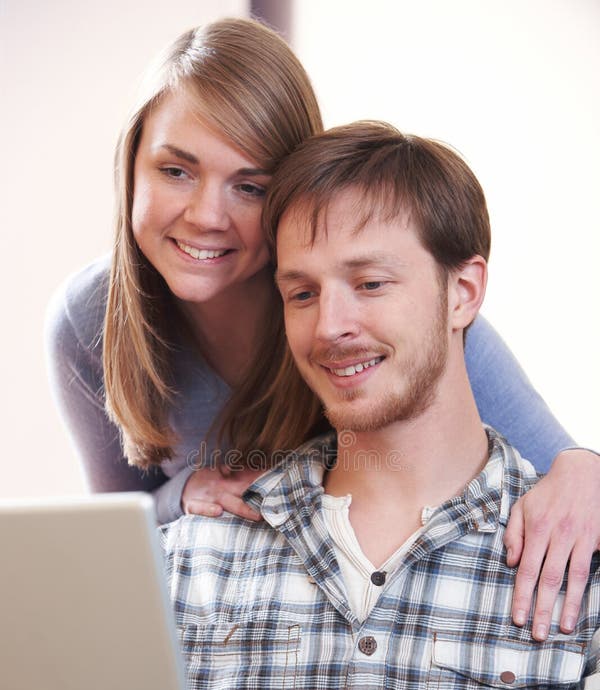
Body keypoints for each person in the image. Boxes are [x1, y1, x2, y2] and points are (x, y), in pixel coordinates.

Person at [3, 123, 599, 690]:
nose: (330, 327)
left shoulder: (571, 556)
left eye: (370, 284)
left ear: (463, 293)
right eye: (302, 293)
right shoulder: (197, 555)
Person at [46, 17, 600, 639]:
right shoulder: (88, 319)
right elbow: (116, 535)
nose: (205, 216)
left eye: (249, 186)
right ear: (131, 167)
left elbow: (562, 474)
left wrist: (586, 467)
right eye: (176, 171)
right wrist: (182, 495)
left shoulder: (360, 318)